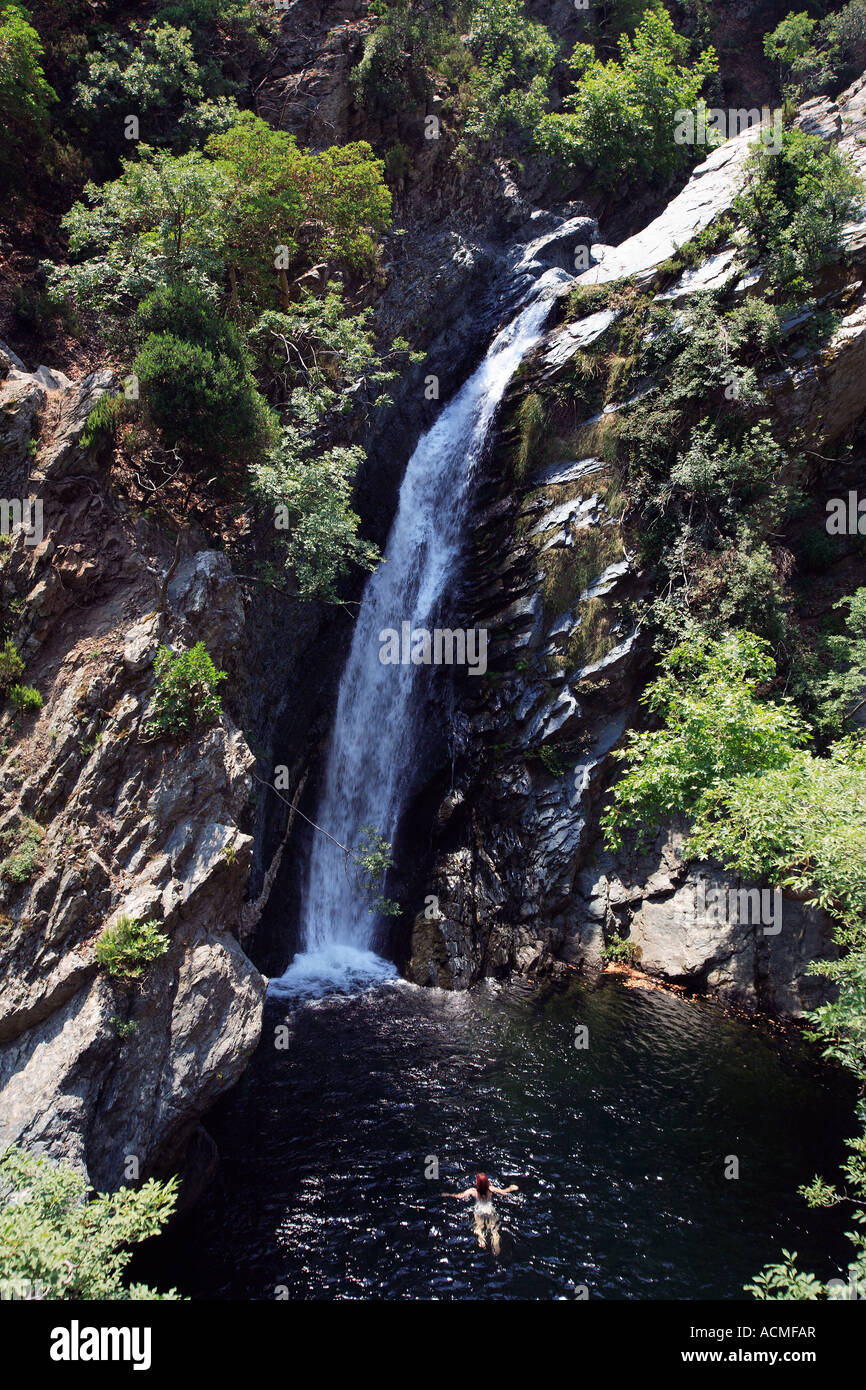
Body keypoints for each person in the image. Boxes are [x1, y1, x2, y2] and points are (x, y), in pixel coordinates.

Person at [445, 1172, 518, 1255]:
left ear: (477, 1183)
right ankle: (496, 1251)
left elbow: (459, 1196)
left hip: (479, 1212)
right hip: (490, 1211)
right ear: (487, 1182)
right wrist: (511, 1188)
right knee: (495, 1232)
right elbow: (504, 1191)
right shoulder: (491, 1189)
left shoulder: (472, 1191)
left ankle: (481, 1239)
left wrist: (447, 1194)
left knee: (478, 1229)